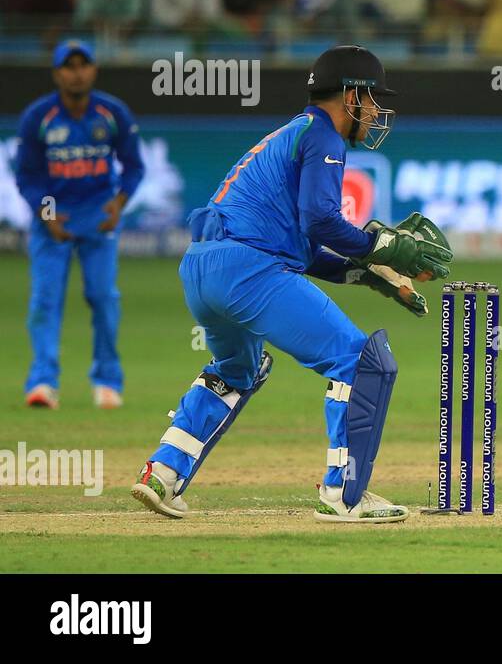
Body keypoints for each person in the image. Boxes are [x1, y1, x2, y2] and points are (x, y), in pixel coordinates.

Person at [129, 46, 454, 523]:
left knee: (238, 370)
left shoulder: (291, 133)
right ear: (350, 95)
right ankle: (345, 493)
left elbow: (302, 248)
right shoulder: (324, 137)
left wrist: (366, 271)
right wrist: (381, 245)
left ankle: (163, 473)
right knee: (362, 361)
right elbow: (322, 220)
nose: (377, 112)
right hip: (248, 272)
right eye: (372, 99)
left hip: (203, 269)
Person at [14, 41, 144, 410]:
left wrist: (118, 204)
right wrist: (49, 213)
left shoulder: (112, 112)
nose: (76, 72)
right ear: (57, 74)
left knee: (103, 298)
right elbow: (28, 175)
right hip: (52, 218)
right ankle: (42, 382)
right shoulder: (38, 117)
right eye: (68, 66)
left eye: (82, 65)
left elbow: (134, 166)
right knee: (45, 300)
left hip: (97, 219)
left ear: (94, 70)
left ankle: (107, 381)